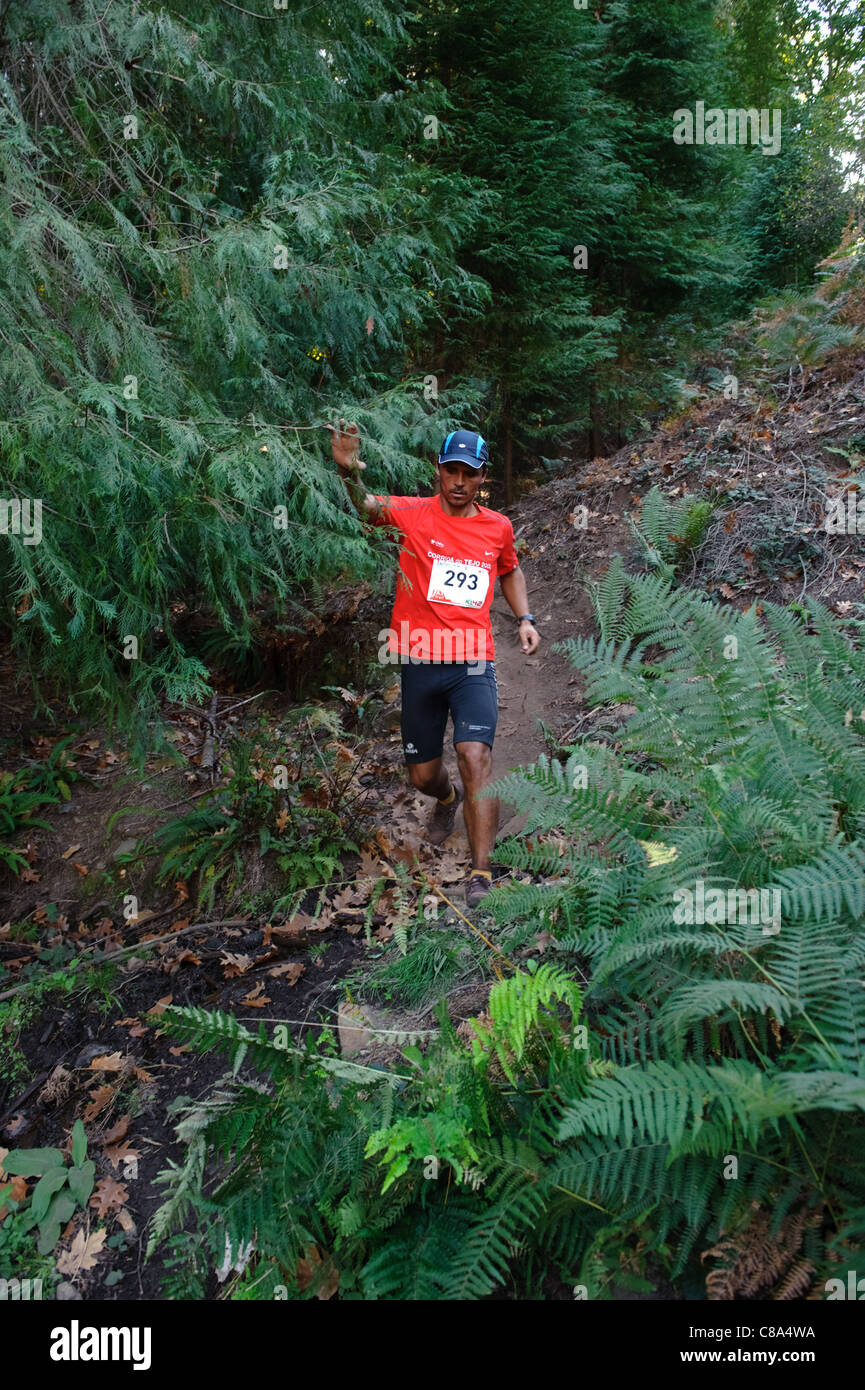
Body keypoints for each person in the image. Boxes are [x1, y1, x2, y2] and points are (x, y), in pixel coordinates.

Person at [328, 421, 540, 908]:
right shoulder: (412, 513)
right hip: (419, 661)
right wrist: (346, 473)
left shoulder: (497, 527)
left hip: (471, 662)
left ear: (482, 475)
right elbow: (364, 507)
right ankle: (447, 801)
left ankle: (482, 874)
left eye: (469, 473)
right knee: (422, 776)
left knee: (474, 756)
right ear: (438, 471)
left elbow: (509, 568)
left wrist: (524, 617)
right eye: (451, 471)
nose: (460, 481)